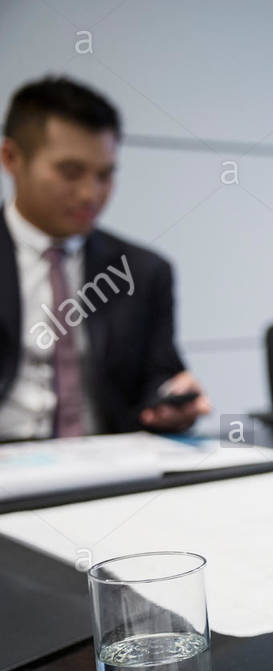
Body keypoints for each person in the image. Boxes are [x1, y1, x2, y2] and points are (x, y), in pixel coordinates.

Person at [0, 77, 210, 440]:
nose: (90, 193)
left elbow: (156, 378)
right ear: (11, 158)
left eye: (105, 175)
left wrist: (171, 401)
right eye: (70, 172)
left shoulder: (142, 272)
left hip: (112, 469)